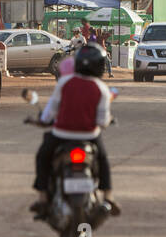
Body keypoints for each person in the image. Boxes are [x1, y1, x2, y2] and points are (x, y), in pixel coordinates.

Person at [30, 44, 118, 216]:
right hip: (90, 136)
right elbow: (102, 120)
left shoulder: (64, 82)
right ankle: (108, 195)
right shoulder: (101, 89)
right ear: (100, 66)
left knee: (43, 156)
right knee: (103, 160)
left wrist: (42, 121)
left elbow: (49, 113)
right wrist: (106, 123)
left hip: (61, 135)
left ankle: (42, 196)